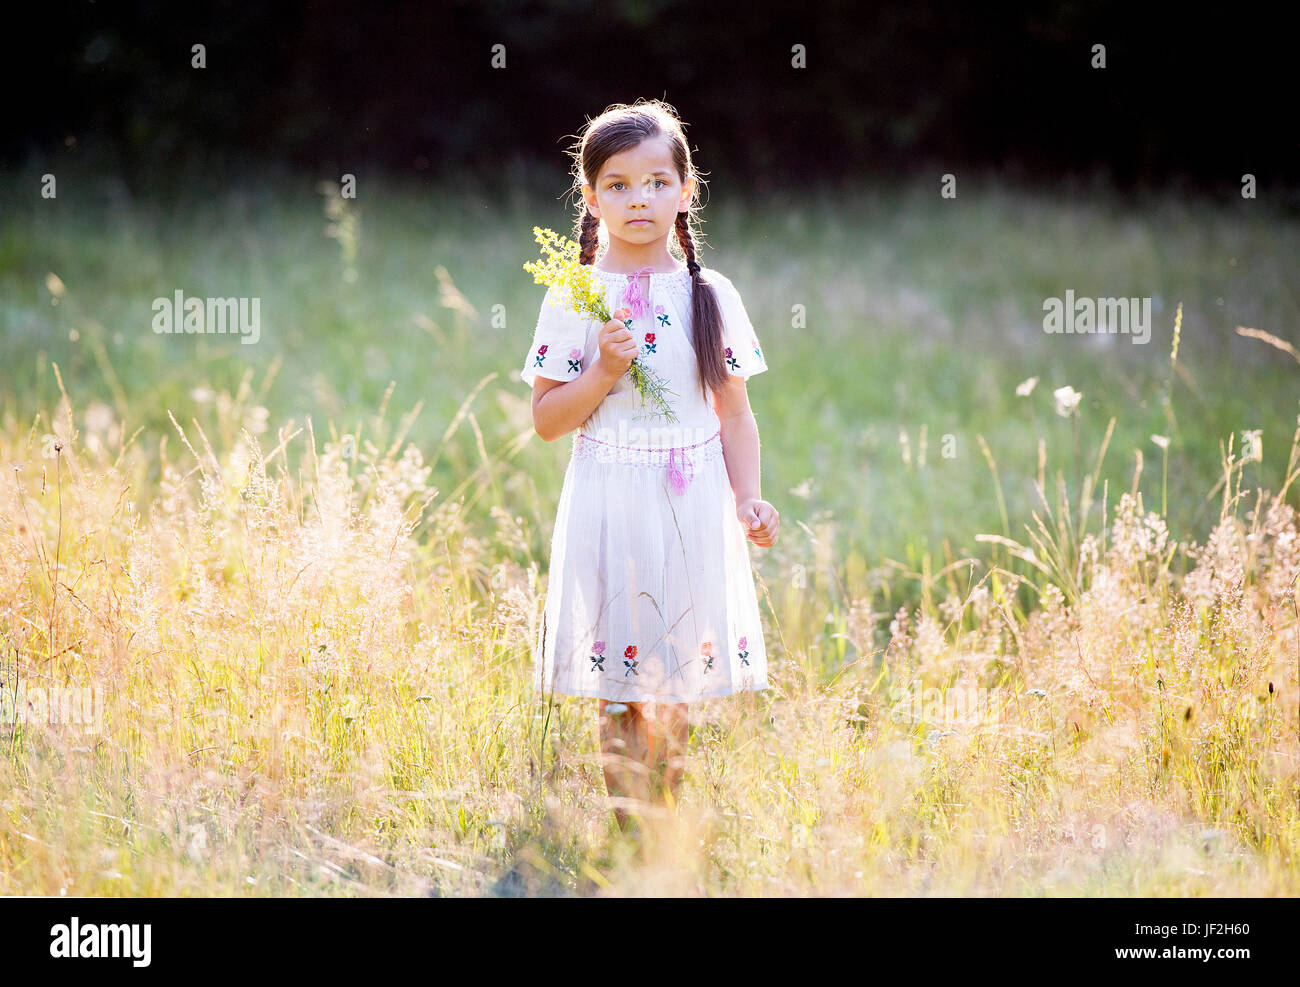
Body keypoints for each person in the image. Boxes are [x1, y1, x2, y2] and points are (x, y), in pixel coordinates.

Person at [519, 99, 779, 833]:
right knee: (621, 682)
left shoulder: (709, 294)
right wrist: (600, 373)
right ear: (592, 197)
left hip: (691, 502)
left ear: (686, 191)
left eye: (658, 182)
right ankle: (627, 825)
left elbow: (733, 412)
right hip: (610, 500)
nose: (641, 199)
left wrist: (749, 498)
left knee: (674, 684)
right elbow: (545, 421)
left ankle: (666, 824)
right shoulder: (577, 295)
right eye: (620, 185)